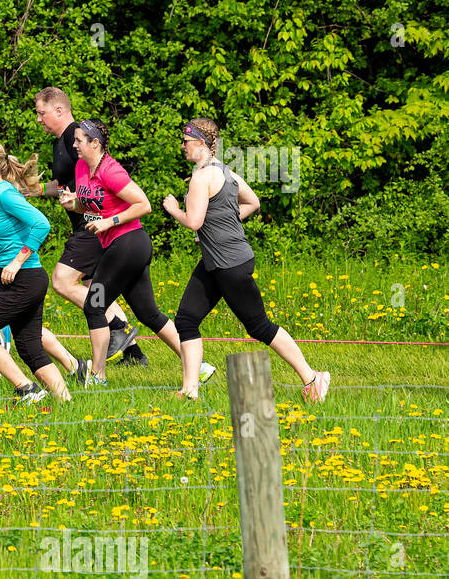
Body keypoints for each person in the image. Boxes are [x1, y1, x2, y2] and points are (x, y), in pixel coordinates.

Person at [164, 119, 330, 402]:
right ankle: (189, 390)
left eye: (185, 140)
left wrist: (174, 209)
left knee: (259, 326)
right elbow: (253, 202)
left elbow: (193, 221)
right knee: (186, 319)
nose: (182, 146)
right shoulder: (227, 173)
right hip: (216, 262)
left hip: (229, 264)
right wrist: (221, 223)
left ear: (201, 144)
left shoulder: (201, 177)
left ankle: (314, 379)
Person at [61, 118, 200, 385]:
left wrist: (108, 222)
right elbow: (93, 205)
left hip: (128, 244)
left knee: (94, 305)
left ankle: (97, 376)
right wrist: (74, 204)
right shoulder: (81, 167)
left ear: (95, 143)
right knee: (148, 313)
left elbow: (143, 204)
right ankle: (198, 365)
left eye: (79, 140)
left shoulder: (111, 171)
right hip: (121, 247)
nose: (74, 144)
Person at [30, 86, 145, 369]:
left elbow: (99, 175)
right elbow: (65, 185)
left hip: (92, 224)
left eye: (41, 113)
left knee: (61, 281)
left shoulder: (73, 136)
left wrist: (102, 217)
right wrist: (36, 189)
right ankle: (132, 353)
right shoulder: (60, 142)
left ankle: (117, 325)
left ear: (59, 110)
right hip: (90, 224)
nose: (38, 119)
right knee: (90, 285)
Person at [0, 135, 84, 380]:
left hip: (24, 278)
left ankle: (24, 387)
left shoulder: (5, 194)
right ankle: (64, 400)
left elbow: (41, 224)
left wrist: (17, 261)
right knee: (30, 348)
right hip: (20, 280)